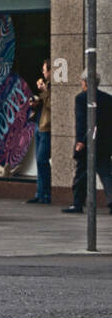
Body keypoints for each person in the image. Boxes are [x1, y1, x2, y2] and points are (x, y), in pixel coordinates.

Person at [63, 71, 112, 214]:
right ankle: (111, 201)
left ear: (85, 82)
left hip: (88, 142)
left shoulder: (81, 98)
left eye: (82, 81)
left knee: (81, 174)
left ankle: (77, 203)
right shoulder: (108, 99)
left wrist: (80, 141)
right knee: (106, 173)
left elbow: (81, 122)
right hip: (104, 143)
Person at [27, 60, 52, 204]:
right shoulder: (47, 87)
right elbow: (43, 103)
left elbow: (52, 105)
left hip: (47, 126)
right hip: (39, 123)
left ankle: (46, 193)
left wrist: (44, 92)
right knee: (39, 160)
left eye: (44, 70)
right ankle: (40, 192)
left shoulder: (52, 87)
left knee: (42, 160)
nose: (43, 73)